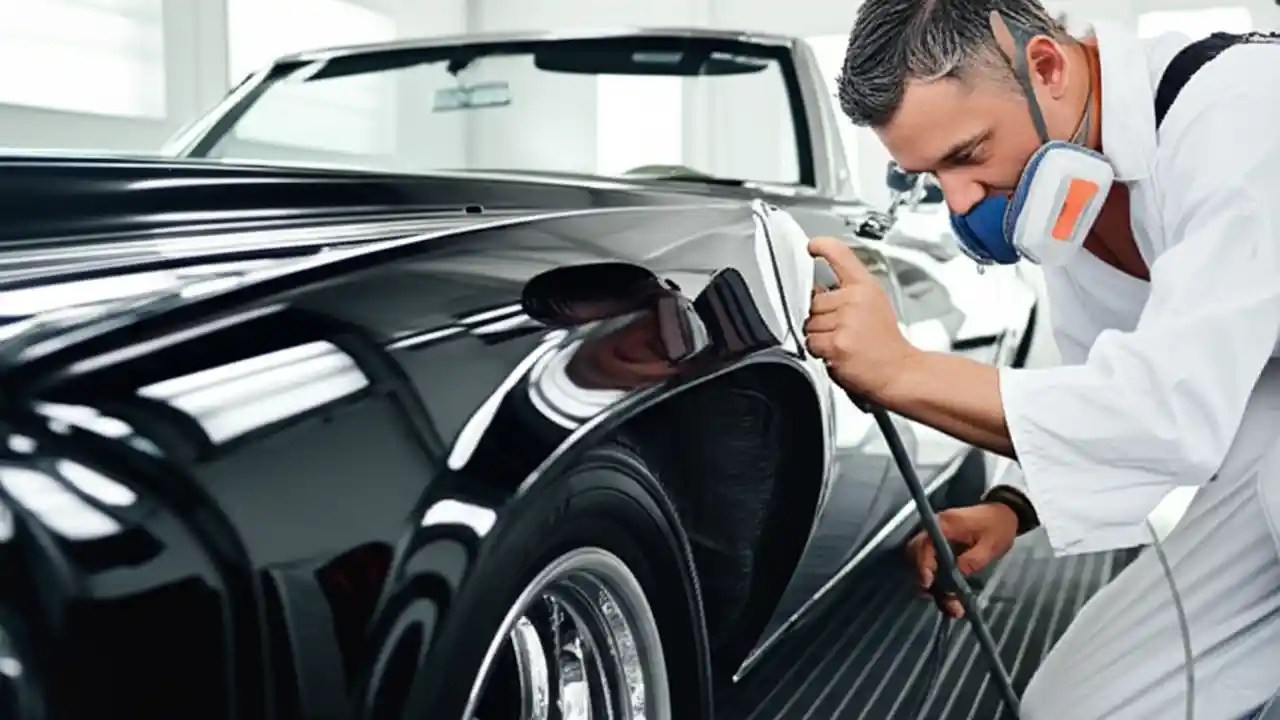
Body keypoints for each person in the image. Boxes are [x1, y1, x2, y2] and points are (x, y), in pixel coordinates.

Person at [804, 1, 1280, 717]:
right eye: (929, 177)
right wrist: (1012, 507)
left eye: (967, 155)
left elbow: (1168, 413)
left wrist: (902, 370)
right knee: (1070, 707)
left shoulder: (1239, 110)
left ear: (1048, 69)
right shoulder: (1073, 183)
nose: (961, 203)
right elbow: (1104, 384)